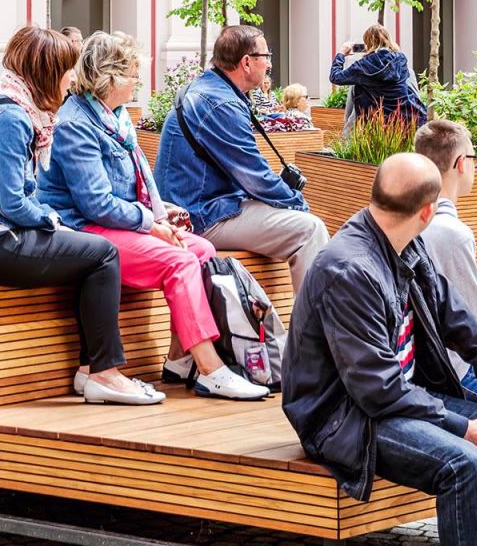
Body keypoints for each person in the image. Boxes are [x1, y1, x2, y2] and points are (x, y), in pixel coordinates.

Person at [42, 32, 271, 402]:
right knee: (179, 262)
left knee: (202, 250)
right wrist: (151, 224)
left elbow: (140, 175)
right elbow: (95, 203)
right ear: (110, 77)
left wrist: (162, 211)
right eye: (133, 73)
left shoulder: (115, 115)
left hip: (119, 222)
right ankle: (212, 370)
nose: (138, 82)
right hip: (86, 228)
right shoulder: (76, 124)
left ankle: (179, 359)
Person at [0, 24, 159, 406]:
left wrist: (47, 219)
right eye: (66, 69)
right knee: (103, 254)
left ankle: (91, 370)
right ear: (47, 72)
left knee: (85, 252)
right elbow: (12, 203)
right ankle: (105, 372)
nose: (72, 79)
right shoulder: (11, 117)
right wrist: (51, 219)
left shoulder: (5, 104)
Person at [284, 152, 477, 545]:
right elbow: (376, 391)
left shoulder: (404, 245)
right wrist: (465, 427)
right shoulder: (348, 270)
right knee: (464, 464)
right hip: (344, 418)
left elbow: (458, 321)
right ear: (428, 211)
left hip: (400, 399)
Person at [153, 23, 330, 296]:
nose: (269, 65)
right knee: (310, 230)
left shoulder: (209, 89)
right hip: (202, 215)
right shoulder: (220, 103)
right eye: (266, 56)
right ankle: (312, 335)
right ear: (247, 62)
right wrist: (298, 204)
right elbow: (255, 177)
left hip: (196, 206)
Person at [416, 118, 477, 402]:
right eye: (474, 158)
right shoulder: (452, 233)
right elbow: (475, 324)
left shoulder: (412, 219)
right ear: (461, 162)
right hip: (456, 373)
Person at [331, 26, 427, 134]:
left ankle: (347, 133)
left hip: (376, 124)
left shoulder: (363, 66)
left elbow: (335, 77)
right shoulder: (400, 60)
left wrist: (341, 54)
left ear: (368, 43)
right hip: (407, 119)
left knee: (357, 84)